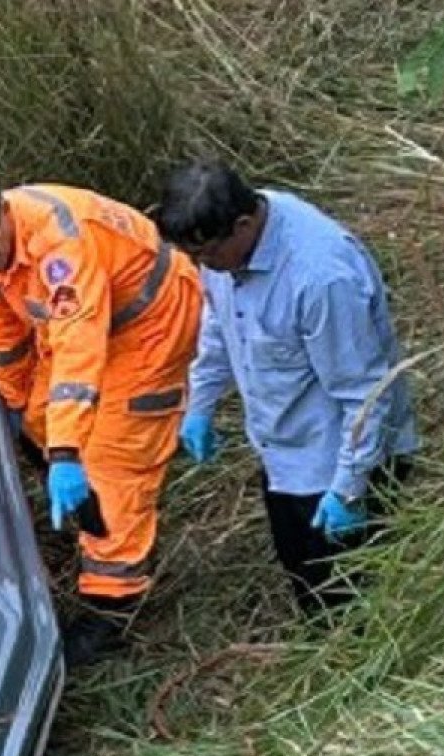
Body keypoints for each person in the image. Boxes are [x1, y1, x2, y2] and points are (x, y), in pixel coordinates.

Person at [0, 160, 202, 666]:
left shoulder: (61, 243)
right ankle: (85, 517)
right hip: (79, 327)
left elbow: (79, 347)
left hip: (148, 323)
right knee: (42, 420)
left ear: (0, 209)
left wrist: (68, 452)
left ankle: (111, 607)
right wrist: (13, 402)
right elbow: (3, 333)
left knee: (113, 457)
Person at [154, 161, 418, 617]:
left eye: (208, 256)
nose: (203, 268)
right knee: (306, 576)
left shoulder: (320, 277)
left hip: (341, 460)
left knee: (356, 600)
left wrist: (350, 489)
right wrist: (201, 403)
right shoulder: (224, 245)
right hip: (285, 453)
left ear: (242, 225)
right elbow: (218, 320)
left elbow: (366, 393)